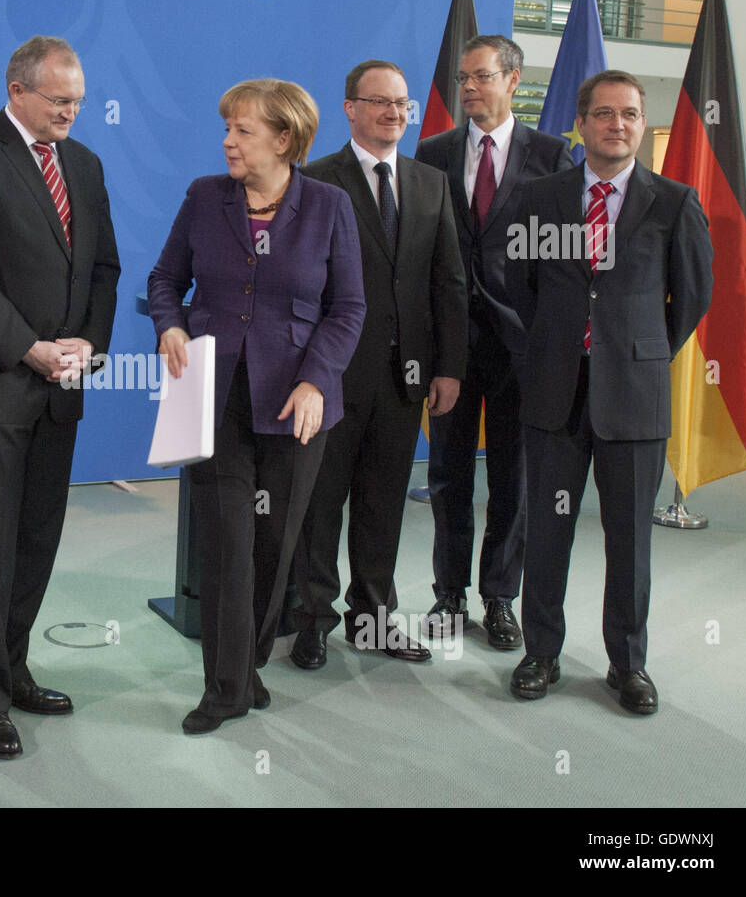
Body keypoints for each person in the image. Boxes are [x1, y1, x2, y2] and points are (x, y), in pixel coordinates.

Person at [0, 36, 120, 759]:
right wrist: (29, 348)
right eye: (59, 100)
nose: (71, 112)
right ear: (17, 91)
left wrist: (86, 348)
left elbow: (103, 267)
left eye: (78, 101)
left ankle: (14, 665)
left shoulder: (86, 164)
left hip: (61, 388)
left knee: (36, 539)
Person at [149, 79, 365, 734]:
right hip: (212, 400)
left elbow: (348, 307)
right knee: (225, 548)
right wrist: (170, 324)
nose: (227, 142)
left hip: (295, 406)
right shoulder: (203, 196)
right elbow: (166, 279)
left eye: (242, 130)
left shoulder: (330, 206)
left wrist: (317, 379)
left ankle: (246, 667)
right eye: (228, 128)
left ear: (284, 138)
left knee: (274, 550)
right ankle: (224, 688)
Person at [508, 70, 712, 714]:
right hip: (554, 394)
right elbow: (519, 284)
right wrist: (560, 340)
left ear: (640, 124)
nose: (616, 125)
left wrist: (636, 349)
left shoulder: (674, 202)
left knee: (629, 540)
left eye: (628, 114)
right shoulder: (541, 198)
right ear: (582, 123)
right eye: (603, 114)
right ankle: (540, 652)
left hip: (634, 397)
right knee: (548, 530)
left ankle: (628, 665)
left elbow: (692, 299)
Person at [289, 60, 466, 668]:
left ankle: (373, 619)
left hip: (405, 380)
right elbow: (302, 287)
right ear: (350, 108)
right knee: (319, 505)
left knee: (383, 502)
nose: (394, 113)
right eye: (380, 102)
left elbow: (447, 282)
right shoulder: (313, 180)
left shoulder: (429, 183)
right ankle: (312, 619)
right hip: (332, 376)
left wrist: (448, 368)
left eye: (402, 103)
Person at [416, 35, 573, 649]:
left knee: (515, 479)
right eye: (463, 78)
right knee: (449, 476)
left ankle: (500, 599)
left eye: (481, 76)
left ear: (513, 79)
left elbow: (563, 259)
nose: (469, 87)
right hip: (450, 346)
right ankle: (448, 594)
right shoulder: (432, 152)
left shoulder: (554, 155)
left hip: (523, 348)